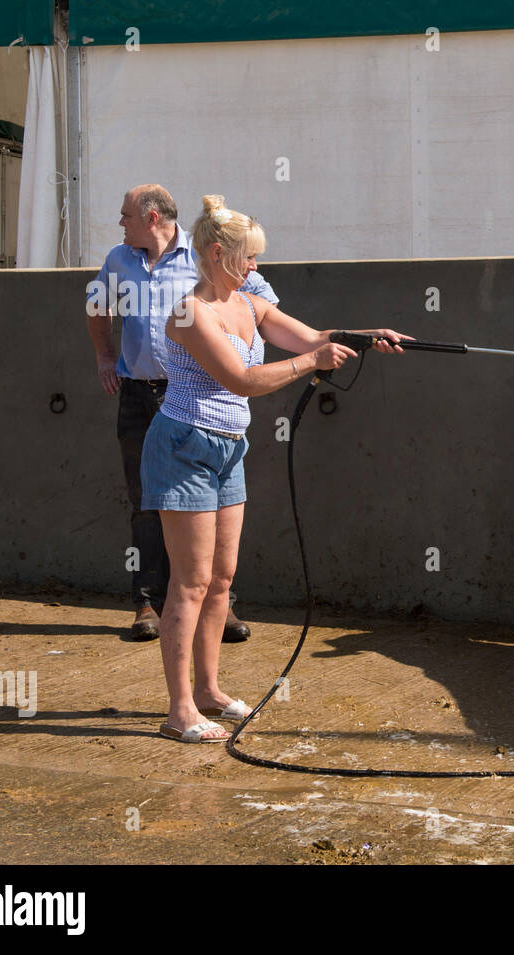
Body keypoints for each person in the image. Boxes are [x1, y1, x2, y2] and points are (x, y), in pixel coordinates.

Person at [144, 194, 411, 742]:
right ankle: (179, 712)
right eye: (249, 258)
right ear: (217, 254)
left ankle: (208, 691)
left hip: (229, 447)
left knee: (221, 580)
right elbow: (242, 381)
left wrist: (367, 336)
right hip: (182, 446)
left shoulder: (250, 303)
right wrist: (311, 363)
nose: (256, 268)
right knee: (189, 583)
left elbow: (314, 337)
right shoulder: (190, 311)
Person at [86, 184, 274, 642]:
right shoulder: (118, 260)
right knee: (145, 501)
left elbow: (262, 298)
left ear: (152, 218)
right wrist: (104, 357)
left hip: (193, 396)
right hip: (137, 394)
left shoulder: (206, 256)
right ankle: (147, 603)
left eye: (126, 215)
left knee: (209, 506)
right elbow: (95, 307)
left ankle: (220, 606)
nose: (120, 223)